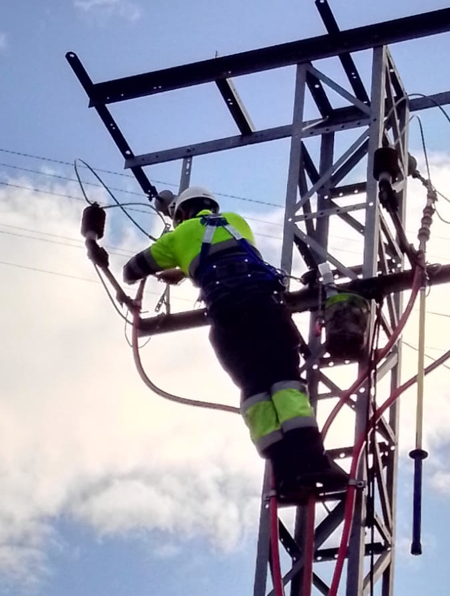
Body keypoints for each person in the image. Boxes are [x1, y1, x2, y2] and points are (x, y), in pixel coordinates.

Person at [122, 186, 349, 498]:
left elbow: (132, 270)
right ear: (211, 207)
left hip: (227, 319)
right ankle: (314, 461)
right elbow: (220, 251)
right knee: (284, 381)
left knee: (254, 391)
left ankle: (284, 472)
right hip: (265, 307)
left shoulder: (177, 236)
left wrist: (174, 264)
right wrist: (183, 267)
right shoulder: (235, 221)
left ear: (182, 213)